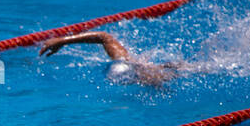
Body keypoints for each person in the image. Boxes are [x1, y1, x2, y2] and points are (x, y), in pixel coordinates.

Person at [38, 31, 202, 86]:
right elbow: (104, 37)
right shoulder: (121, 66)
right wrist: (62, 41)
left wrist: (62, 41)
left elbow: (104, 37)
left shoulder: (121, 65)